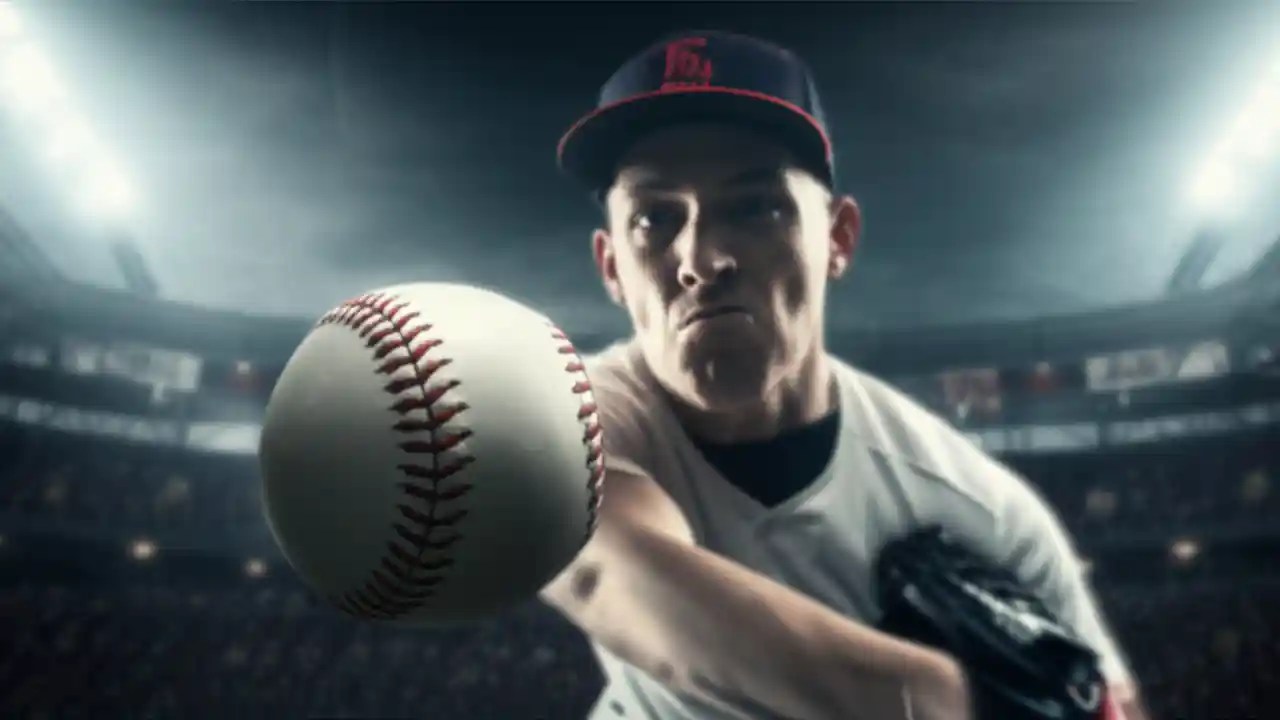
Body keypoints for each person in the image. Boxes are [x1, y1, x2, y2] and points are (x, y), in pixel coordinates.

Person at [541, 30, 1148, 720]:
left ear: (837, 238)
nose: (702, 259)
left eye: (755, 207)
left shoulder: (985, 514)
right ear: (612, 267)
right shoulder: (583, 411)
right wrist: (950, 700)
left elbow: (1109, 708)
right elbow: (605, 574)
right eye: (655, 219)